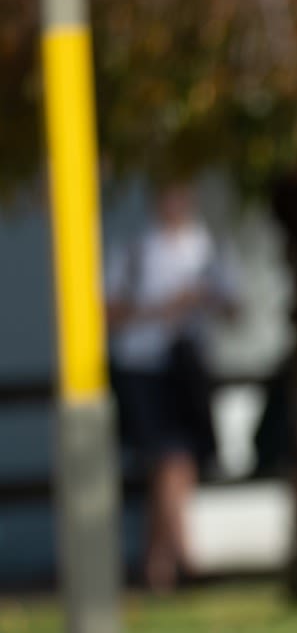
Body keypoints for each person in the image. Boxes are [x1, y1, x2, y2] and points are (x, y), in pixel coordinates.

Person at [105, 184, 240, 590]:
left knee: (179, 464)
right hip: (143, 365)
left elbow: (236, 307)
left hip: (187, 364)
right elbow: (107, 311)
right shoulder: (135, 249)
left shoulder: (208, 248)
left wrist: (205, 300)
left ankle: (157, 567)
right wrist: (165, 308)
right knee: (169, 461)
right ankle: (186, 556)